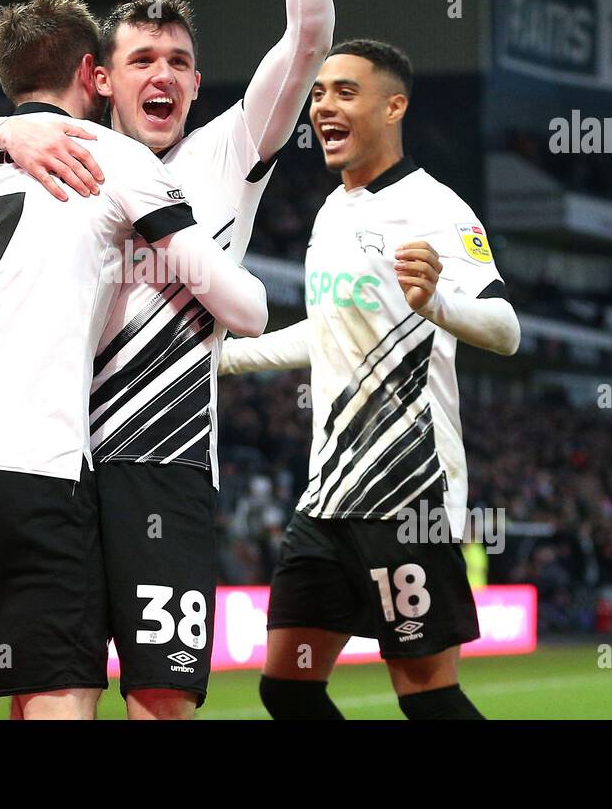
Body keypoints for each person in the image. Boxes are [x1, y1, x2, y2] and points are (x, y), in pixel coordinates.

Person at [0, 0, 333, 718]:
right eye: (142, 60)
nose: (161, 74)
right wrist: (9, 129)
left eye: (177, 61)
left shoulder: (226, 152)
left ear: (200, 82)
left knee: (160, 704)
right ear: (103, 79)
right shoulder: (58, 159)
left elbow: (310, 35)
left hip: (160, 465)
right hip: (54, 465)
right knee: (42, 691)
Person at [0, 0, 268, 721]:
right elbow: (246, 309)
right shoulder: (114, 159)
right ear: (94, 73)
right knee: (58, 698)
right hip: (33, 471)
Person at [219, 40, 520, 720]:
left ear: (394, 106)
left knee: (426, 696)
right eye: (319, 92)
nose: (323, 104)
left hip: (407, 492)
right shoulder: (331, 213)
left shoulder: (436, 208)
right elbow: (325, 333)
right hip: (328, 497)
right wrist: (222, 361)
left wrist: (438, 305)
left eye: (344, 92)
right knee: (287, 688)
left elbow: (506, 330)